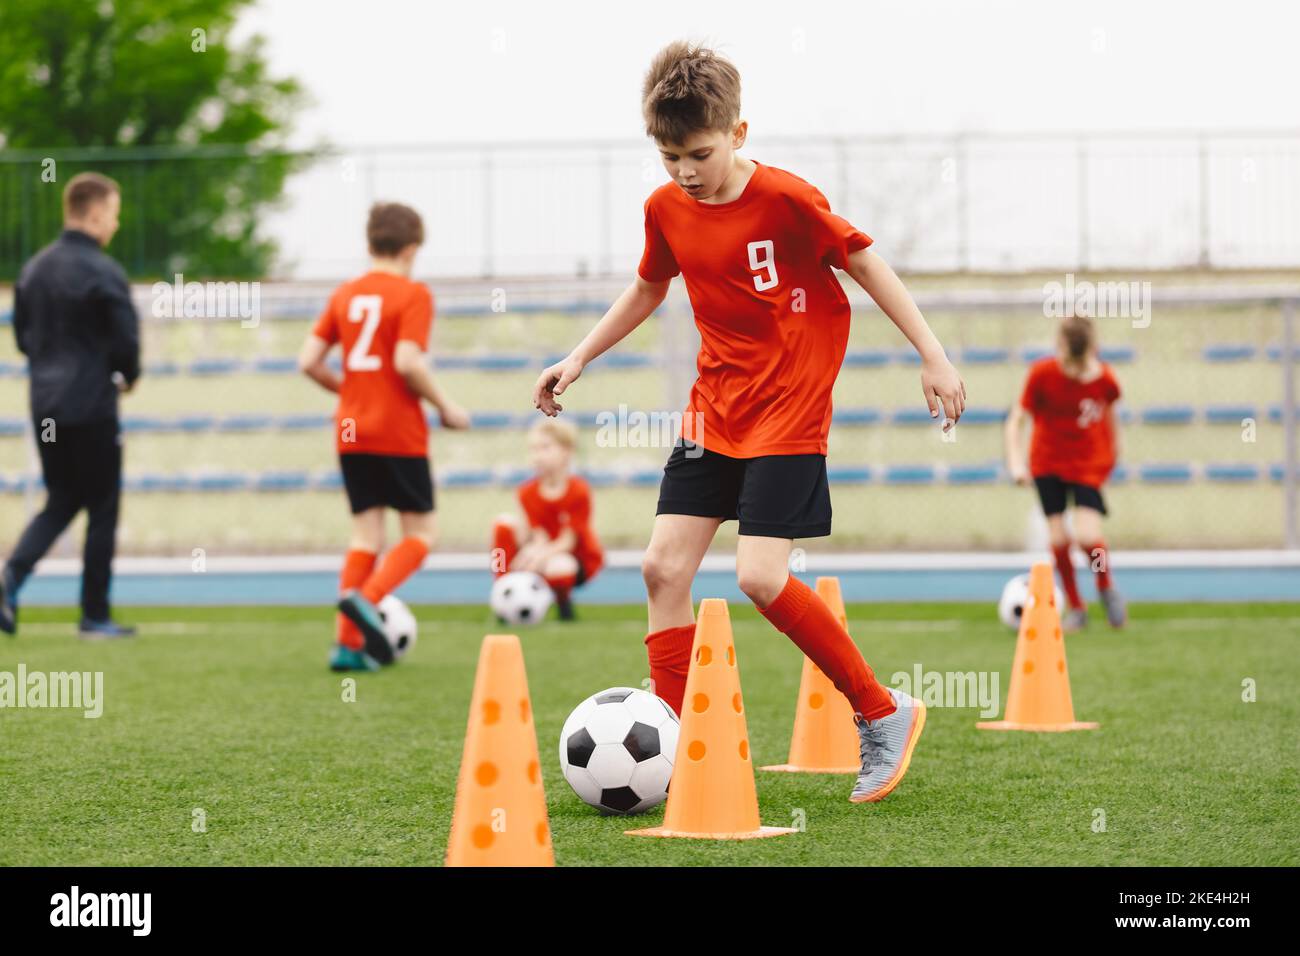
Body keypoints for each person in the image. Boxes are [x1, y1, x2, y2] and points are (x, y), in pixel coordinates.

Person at [532, 42, 966, 803]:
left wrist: (932, 355)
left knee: (760, 577)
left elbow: (867, 264)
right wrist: (578, 358)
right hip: (714, 407)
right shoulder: (664, 208)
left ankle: (881, 710)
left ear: (737, 132)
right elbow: (646, 289)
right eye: (669, 157)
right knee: (662, 569)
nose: (685, 172)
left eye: (698, 153)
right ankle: (674, 741)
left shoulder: (789, 199)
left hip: (790, 406)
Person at [298, 202, 470, 671]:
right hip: (397, 430)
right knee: (422, 533)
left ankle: (346, 648)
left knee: (364, 536)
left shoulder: (345, 295)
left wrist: (350, 391)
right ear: (412, 248)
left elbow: (308, 361)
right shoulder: (412, 294)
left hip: (352, 431)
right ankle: (367, 598)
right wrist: (445, 406)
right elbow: (408, 361)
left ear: (369, 242)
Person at [1, 172, 139, 639]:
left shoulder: (34, 269)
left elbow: (23, 339)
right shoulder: (105, 272)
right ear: (97, 213)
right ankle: (94, 615)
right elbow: (127, 343)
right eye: (115, 215)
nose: (116, 225)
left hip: (46, 409)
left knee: (62, 497)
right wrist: (127, 377)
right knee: (102, 504)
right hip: (93, 407)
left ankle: (9, 579)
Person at [1005, 313, 1127, 630]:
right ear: (1058, 346)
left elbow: (1113, 420)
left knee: (1087, 535)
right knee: (1058, 537)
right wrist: (1016, 462)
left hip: (1087, 464)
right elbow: (1016, 419)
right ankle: (1077, 607)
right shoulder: (1042, 374)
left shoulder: (1105, 380)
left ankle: (1105, 587)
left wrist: (1114, 455)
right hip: (1047, 463)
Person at [491, 418, 604, 620]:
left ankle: (564, 605)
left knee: (559, 567)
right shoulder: (526, 492)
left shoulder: (579, 491)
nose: (537, 456)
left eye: (545, 448)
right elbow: (538, 535)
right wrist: (529, 554)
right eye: (533, 449)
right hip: (545, 549)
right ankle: (502, 586)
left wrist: (537, 558)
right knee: (502, 525)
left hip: (574, 557)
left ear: (566, 452)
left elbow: (567, 542)